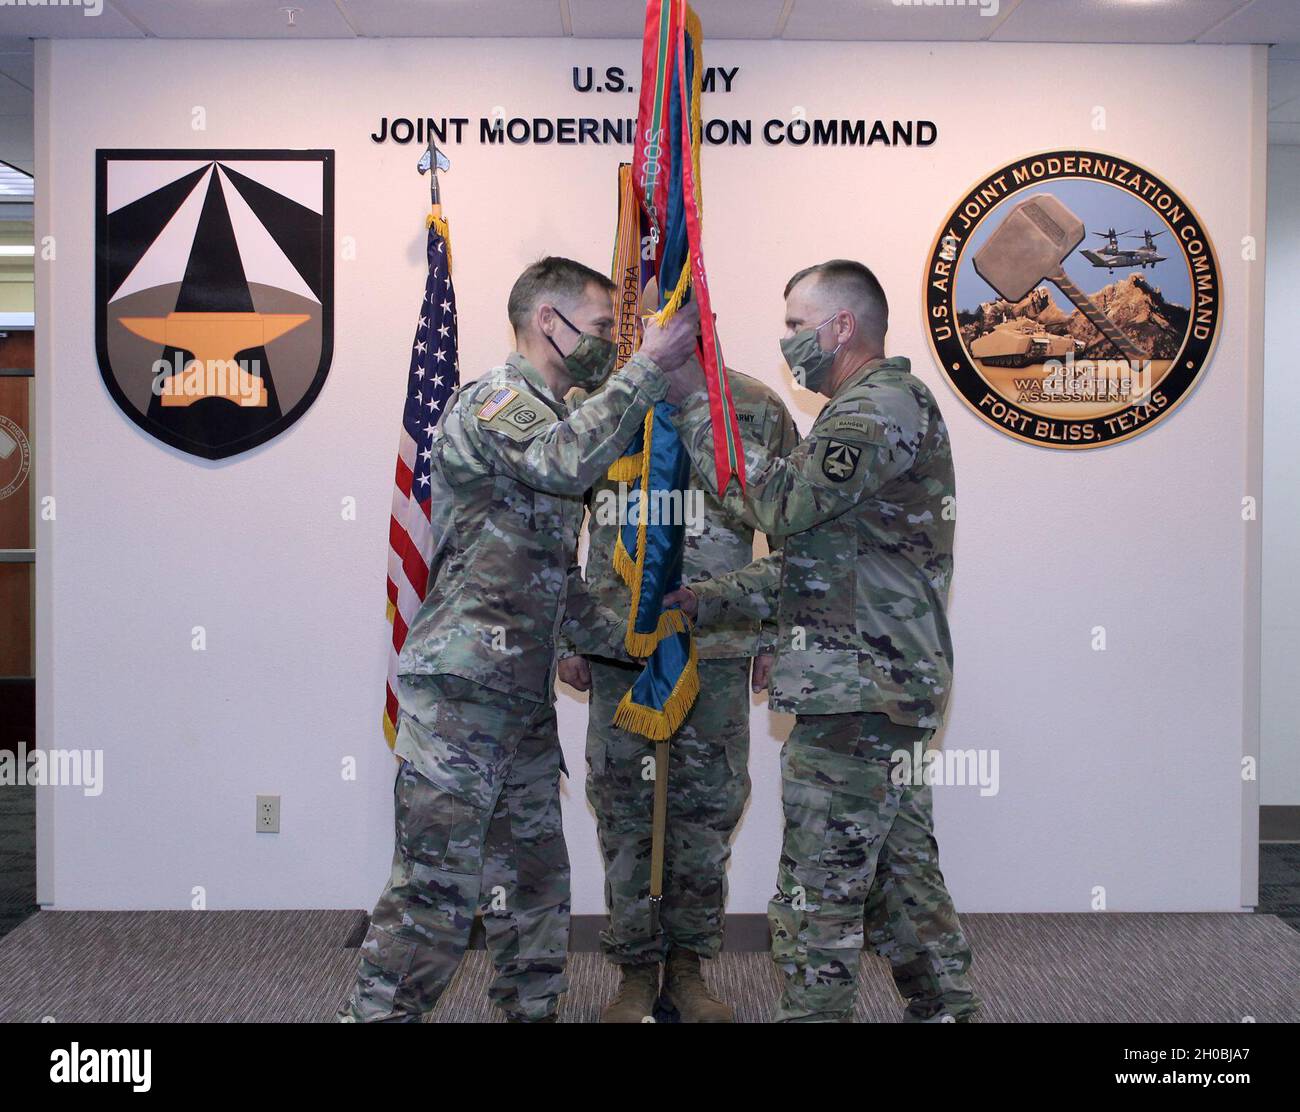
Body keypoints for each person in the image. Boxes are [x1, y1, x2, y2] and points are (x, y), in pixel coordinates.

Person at [337, 257, 701, 1023]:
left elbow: (551, 583)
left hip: (523, 702)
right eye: (602, 327)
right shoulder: (499, 402)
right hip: (465, 697)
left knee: (535, 889)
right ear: (548, 321)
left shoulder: (558, 414)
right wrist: (646, 369)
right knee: (433, 897)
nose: (609, 341)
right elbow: (564, 463)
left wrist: (646, 633)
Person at [663, 259, 980, 1023]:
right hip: (873, 687)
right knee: (902, 878)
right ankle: (948, 1009)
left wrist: (699, 408)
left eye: (797, 326)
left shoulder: (878, 409)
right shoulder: (860, 412)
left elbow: (778, 507)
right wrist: (703, 601)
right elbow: (815, 565)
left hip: (859, 693)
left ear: (842, 326)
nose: (788, 341)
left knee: (818, 898)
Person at [559, 360, 798, 1023]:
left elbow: (794, 530)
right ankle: (634, 970)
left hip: (716, 645)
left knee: (705, 813)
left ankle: (690, 967)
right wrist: (566, 637)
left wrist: (774, 634)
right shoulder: (600, 401)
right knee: (625, 814)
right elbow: (553, 524)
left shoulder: (754, 406)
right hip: (619, 642)